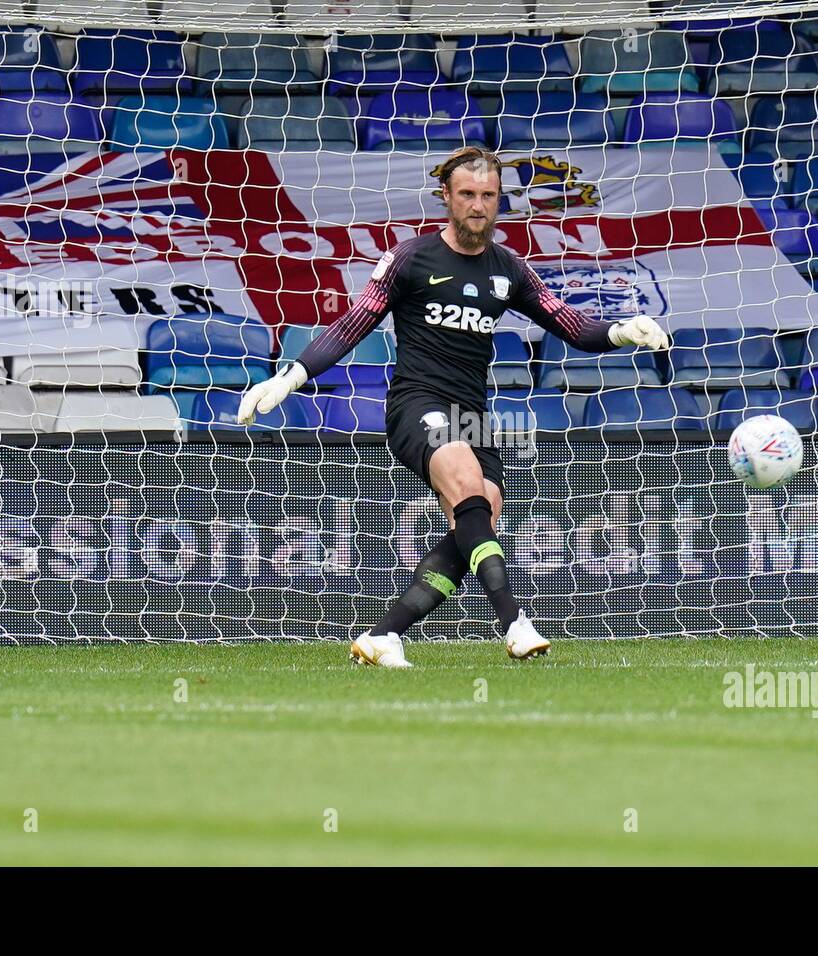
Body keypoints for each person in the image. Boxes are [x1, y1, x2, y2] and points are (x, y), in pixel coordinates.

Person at [239, 146, 669, 667]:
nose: (478, 206)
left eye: (488, 196)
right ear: (445, 196)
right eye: (467, 194)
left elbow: (570, 324)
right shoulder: (411, 258)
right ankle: (514, 623)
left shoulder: (509, 268)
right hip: (417, 403)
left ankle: (384, 635)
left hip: (473, 413)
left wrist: (621, 331)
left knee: (479, 515)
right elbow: (354, 323)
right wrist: (294, 375)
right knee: (466, 483)